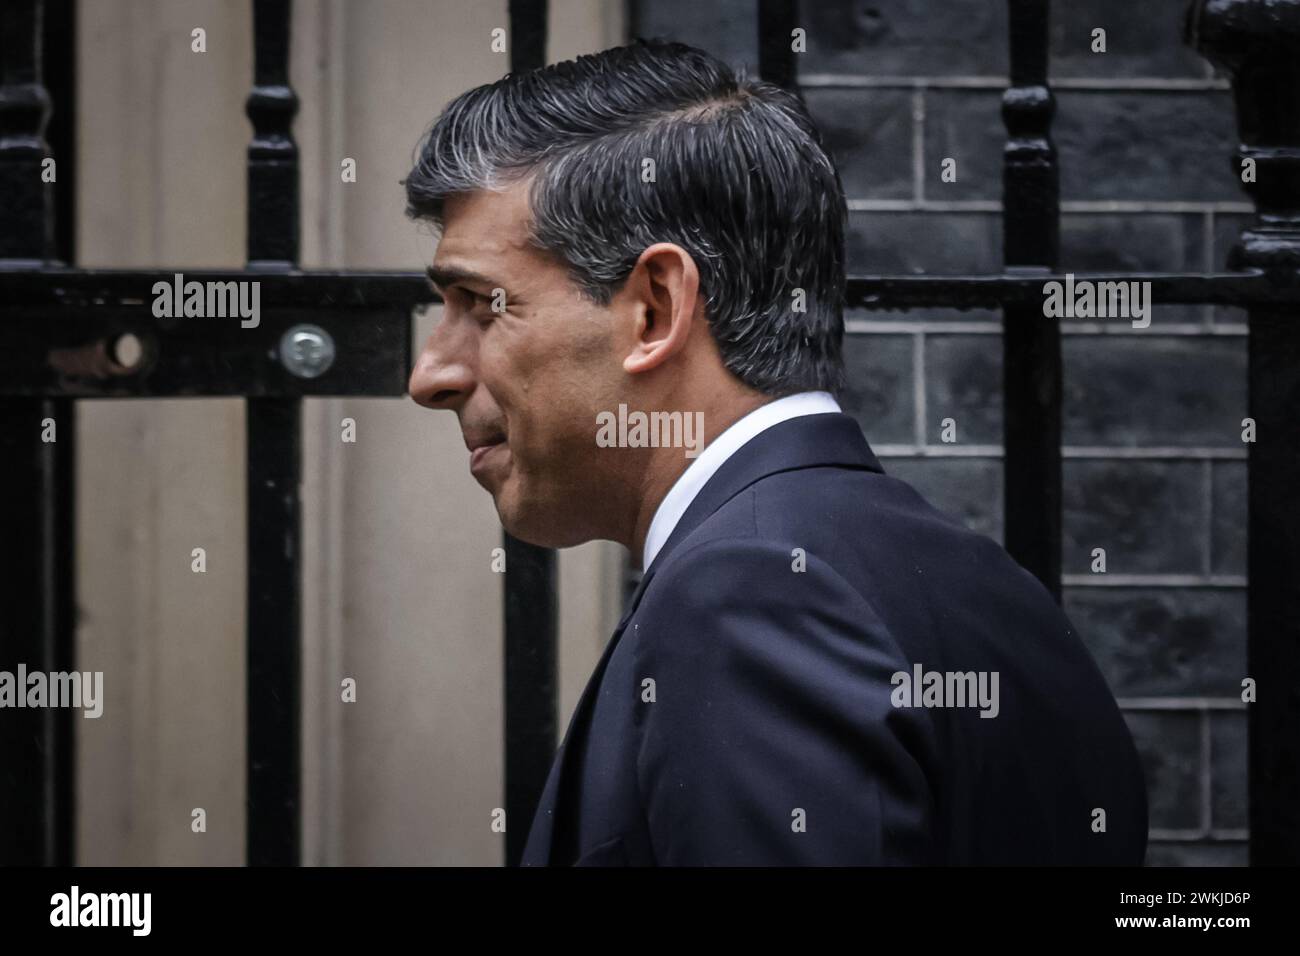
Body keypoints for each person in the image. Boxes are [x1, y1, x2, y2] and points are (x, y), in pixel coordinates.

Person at [403, 39, 1148, 865]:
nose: (430, 374)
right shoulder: (989, 587)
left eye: (480, 304)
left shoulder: (747, 596)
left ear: (654, 309)